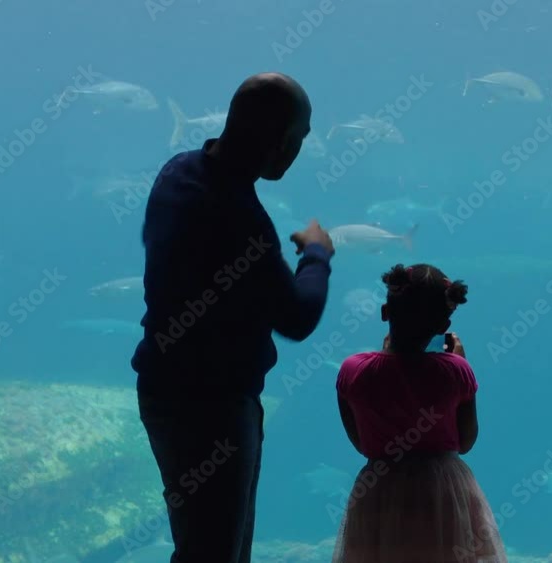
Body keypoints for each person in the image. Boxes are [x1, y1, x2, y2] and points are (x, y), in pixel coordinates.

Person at [131, 72, 335, 563]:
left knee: (209, 544)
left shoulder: (177, 172)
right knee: (214, 552)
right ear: (282, 141)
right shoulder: (242, 220)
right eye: (301, 138)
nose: (299, 150)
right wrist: (317, 256)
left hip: (164, 388)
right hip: (214, 406)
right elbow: (297, 317)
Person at [332, 264, 507, 562]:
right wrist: (460, 364)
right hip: (444, 494)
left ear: (385, 312)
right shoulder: (456, 371)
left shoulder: (353, 371)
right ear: (444, 325)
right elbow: (466, 442)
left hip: (380, 492)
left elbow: (362, 444)